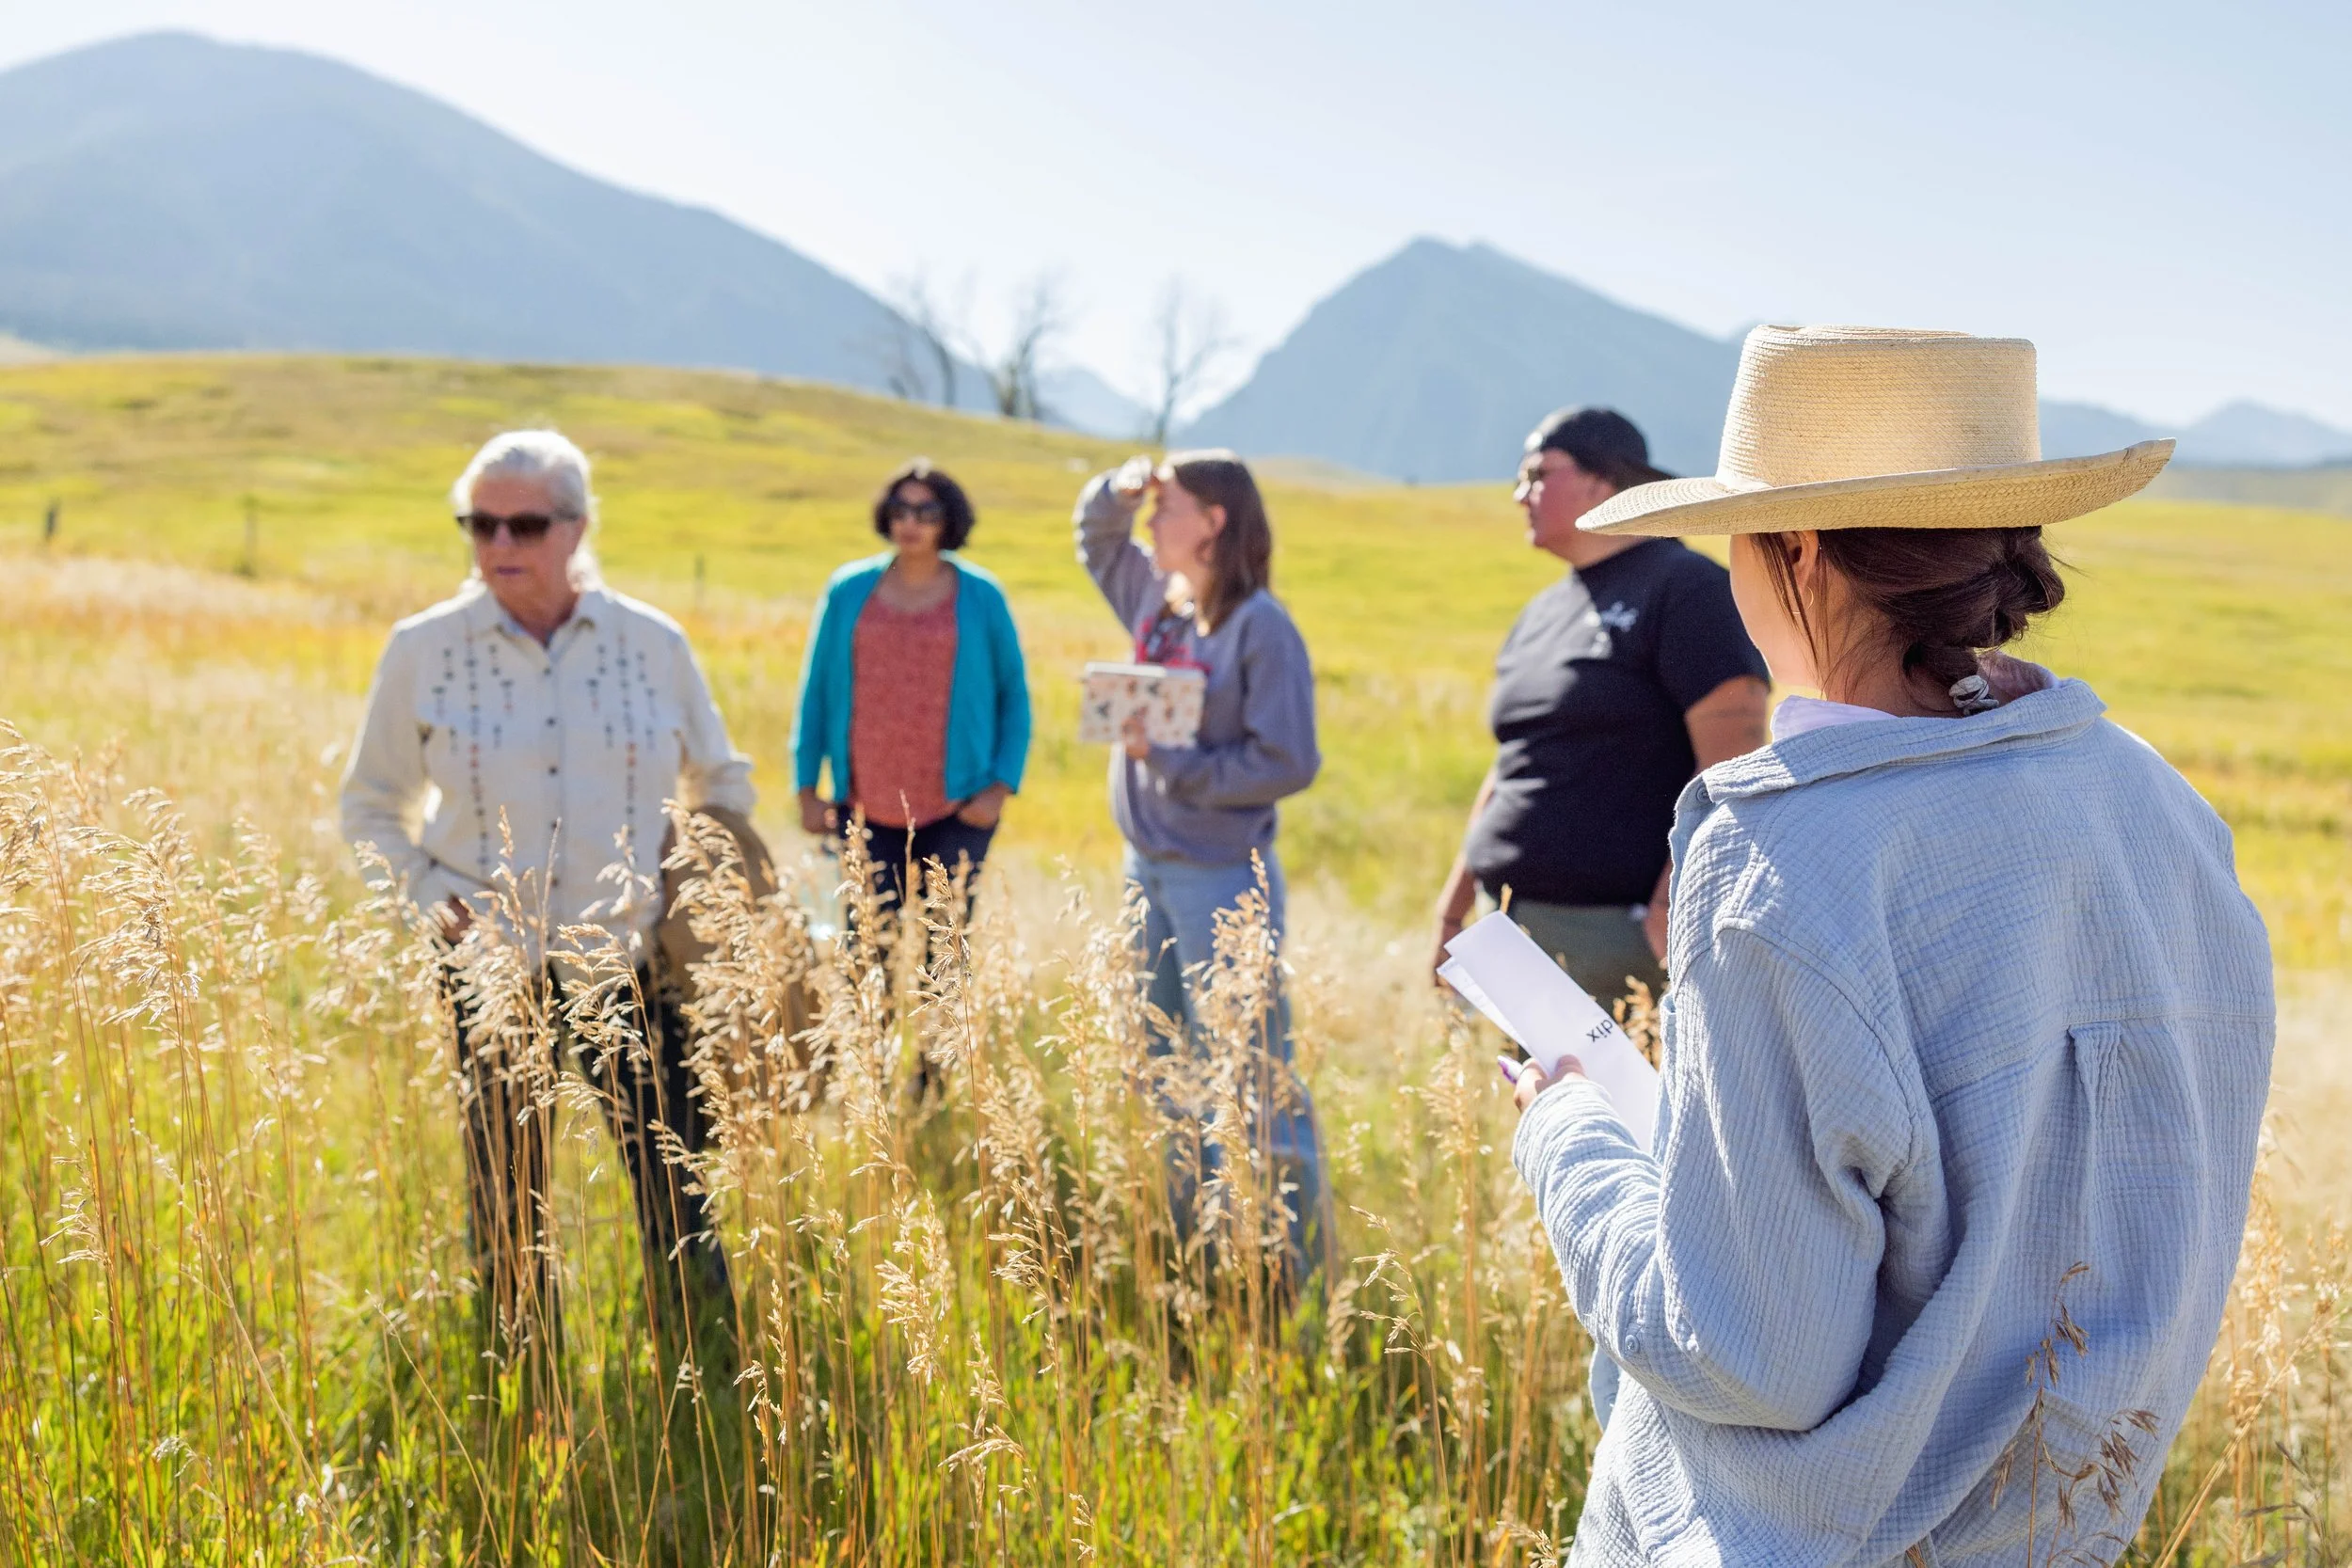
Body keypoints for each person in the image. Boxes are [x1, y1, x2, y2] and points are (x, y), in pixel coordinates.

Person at [1505, 325, 2271, 1564]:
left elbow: (1749, 1355)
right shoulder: (2156, 804)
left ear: (1793, 549)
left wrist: (1569, 1137)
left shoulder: (1778, 865)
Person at [341, 429, 751, 1353]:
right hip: (488, 958)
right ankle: (521, 1366)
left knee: (670, 1169)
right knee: (502, 1176)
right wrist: (427, 896)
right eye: (478, 523)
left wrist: (691, 885)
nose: (498, 545)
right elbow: (370, 803)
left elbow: (722, 779)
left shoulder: (653, 643)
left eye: (522, 523)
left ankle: (708, 1358)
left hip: (628, 953)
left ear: (576, 526)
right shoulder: (424, 649)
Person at [1074, 450, 1327, 1278]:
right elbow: (1097, 538)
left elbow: (1288, 760)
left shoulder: (1262, 627)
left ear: (1215, 521)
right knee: (1167, 1064)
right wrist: (1120, 486)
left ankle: (1285, 1274)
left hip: (1219, 877)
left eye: (1168, 504)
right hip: (1143, 866)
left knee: (1250, 1071)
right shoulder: (1165, 605)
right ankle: (1207, 1252)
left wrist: (1173, 762)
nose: (1151, 518)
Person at [1432, 406, 1769, 1006]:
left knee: (1621, 1102)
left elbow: (1736, 754)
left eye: (1538, 474)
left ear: (1603, 481)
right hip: (1507, 922)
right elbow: (1514, 762)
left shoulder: (1686, 588)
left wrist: (1669, 904)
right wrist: (1452, 910)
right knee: (1530, 1099)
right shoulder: (1543, 611)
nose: (1519, 495)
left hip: (1617, 933)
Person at [791, 459, 1030, 918]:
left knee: (943, 961)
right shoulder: (848, 590)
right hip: (862, 804)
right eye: (900, 511)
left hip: (959, 806)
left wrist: (999, 789)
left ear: (950, 521)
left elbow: (1013, 697)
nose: (910, 524)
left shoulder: (982, 596)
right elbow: (816, 691)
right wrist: (805, 787)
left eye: (927, 514)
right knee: (866, 954)